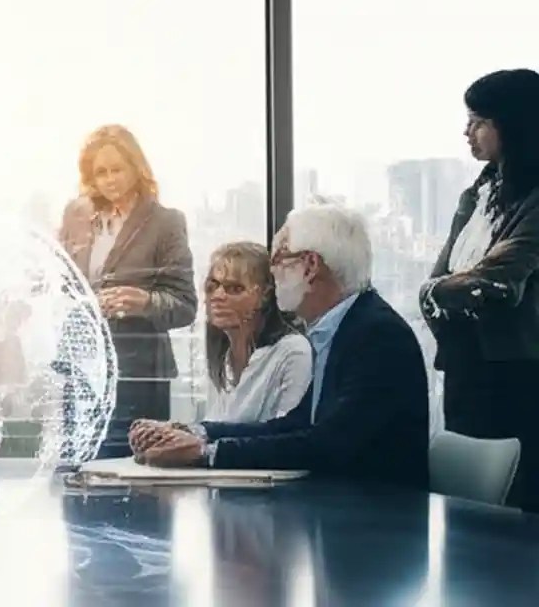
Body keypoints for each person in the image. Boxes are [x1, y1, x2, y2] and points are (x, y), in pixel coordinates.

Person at [130, 204, 429, 488]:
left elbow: (327, 444)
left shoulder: (376, 334)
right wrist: (197, 433)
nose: (272, 273)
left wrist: (206, 453)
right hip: (341, 507)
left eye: (279, 259)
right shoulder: (342, 328)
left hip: (375, 515)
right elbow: (294, 425)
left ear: (310, 266)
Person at [421, 68, 539, 511]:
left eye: (479, 121)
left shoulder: (534, 200)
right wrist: (441, 290)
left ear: (513, 125)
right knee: (462, 507)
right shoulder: (477, 195)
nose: (467, 132)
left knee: (514, 510)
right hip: (464, 370)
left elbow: (498, 282)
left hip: (515, 377)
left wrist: (440, 291)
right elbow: (437, 280)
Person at [57, 124, 196, 457]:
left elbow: (185, 305)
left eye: (117, 169)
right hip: (83, 370)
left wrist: (145, 302)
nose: (109, 179)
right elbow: (60, 288)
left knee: (133, 469)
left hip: (138, 376)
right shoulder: (79, 218)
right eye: (100, 172)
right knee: (77, 467)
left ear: (136, 167)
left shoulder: (165, 222)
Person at [200, 242, 311, 423]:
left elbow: (289, 432)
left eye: (234, 288)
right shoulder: (223, 357)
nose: (217, 296)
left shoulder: (293, 352)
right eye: (212, 286)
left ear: (265, 296)